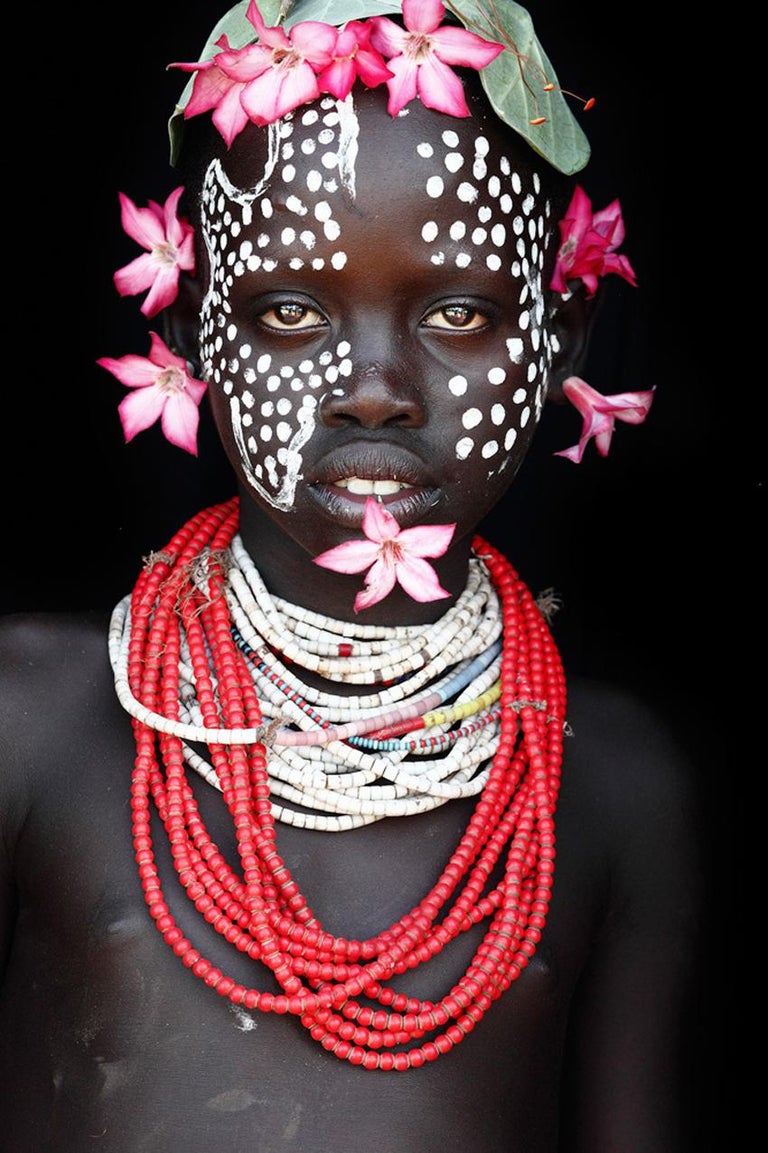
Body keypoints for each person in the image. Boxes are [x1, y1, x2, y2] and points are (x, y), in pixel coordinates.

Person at [1, 2, 709, 1150]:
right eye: (288, 310)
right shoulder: (33, 719)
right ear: (189, 332)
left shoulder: (612, 783)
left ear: (560, 335)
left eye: (460, 312)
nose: (374, 388)